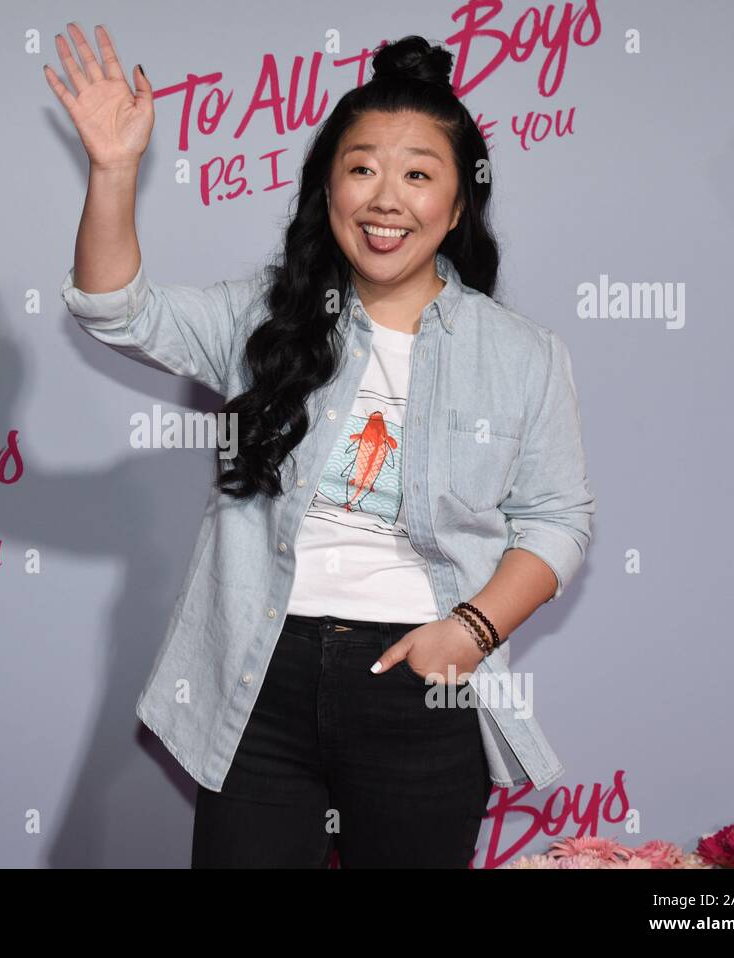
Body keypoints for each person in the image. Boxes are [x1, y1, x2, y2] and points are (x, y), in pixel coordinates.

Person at [45, 24, 596, 868]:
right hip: (259, 674)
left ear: (455, 205)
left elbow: (558, 521)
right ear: (327, 188)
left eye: (418, 174)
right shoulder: (265, 317)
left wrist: (470, 631)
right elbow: (114, 307)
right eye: (362, 167)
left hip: (425, 679)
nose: (386, 199)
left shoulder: (521, 353)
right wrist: (115, 171)